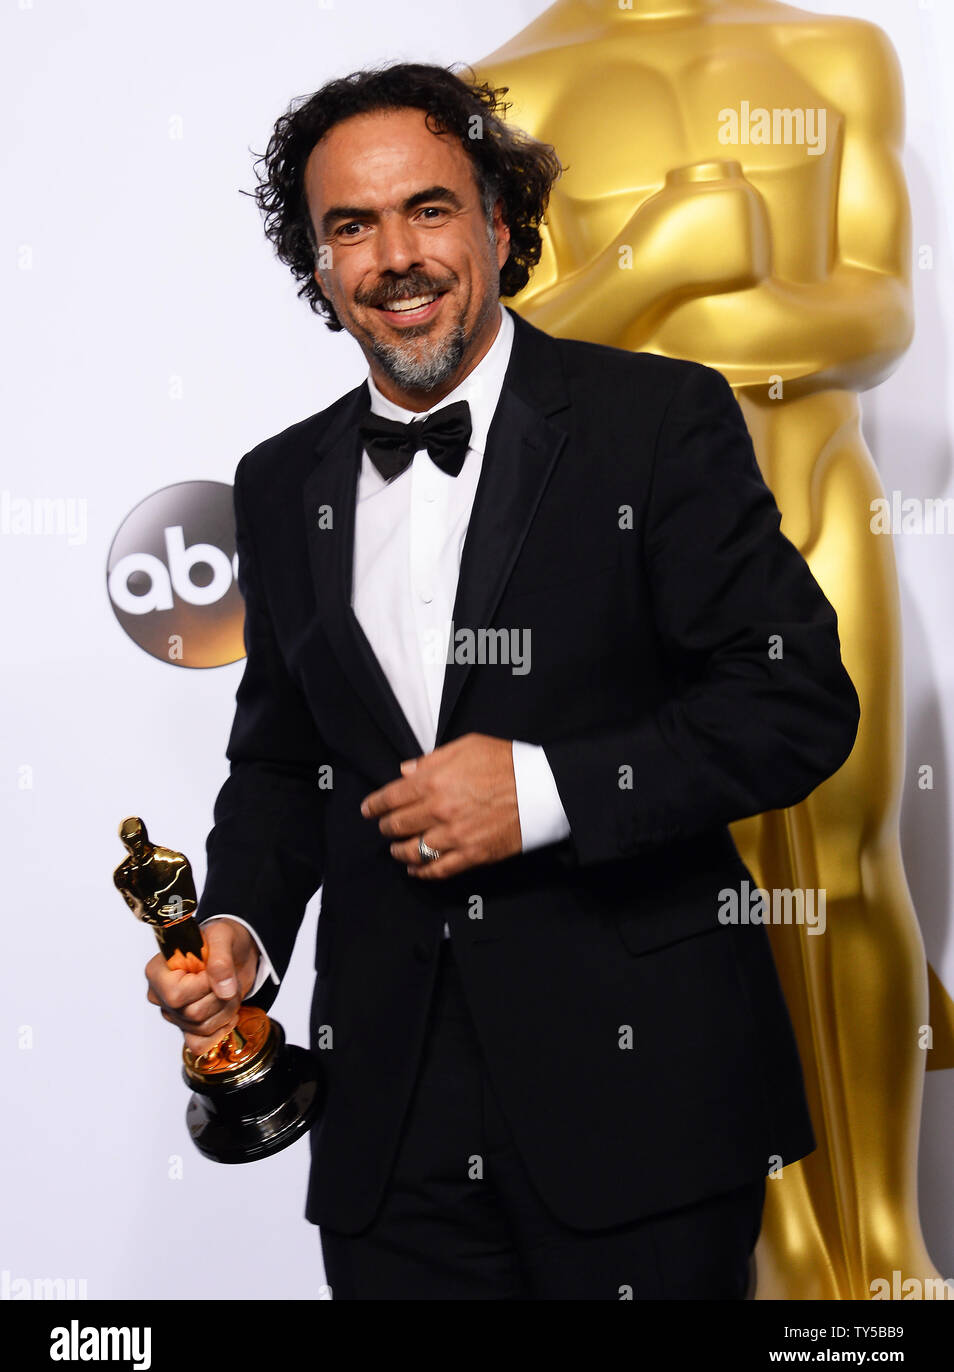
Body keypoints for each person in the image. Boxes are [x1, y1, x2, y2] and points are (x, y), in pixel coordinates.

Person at [144, 61, 860, 1300]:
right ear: (318, 268)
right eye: (350, 227)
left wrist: (542, 791)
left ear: (501, 226)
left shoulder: (659, 420)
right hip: (389, 1123)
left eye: (429, 208)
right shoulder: (280, 480)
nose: (396, 256)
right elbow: (279, 760)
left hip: (643, 1108)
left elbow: (794, 700)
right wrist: (238, 932)